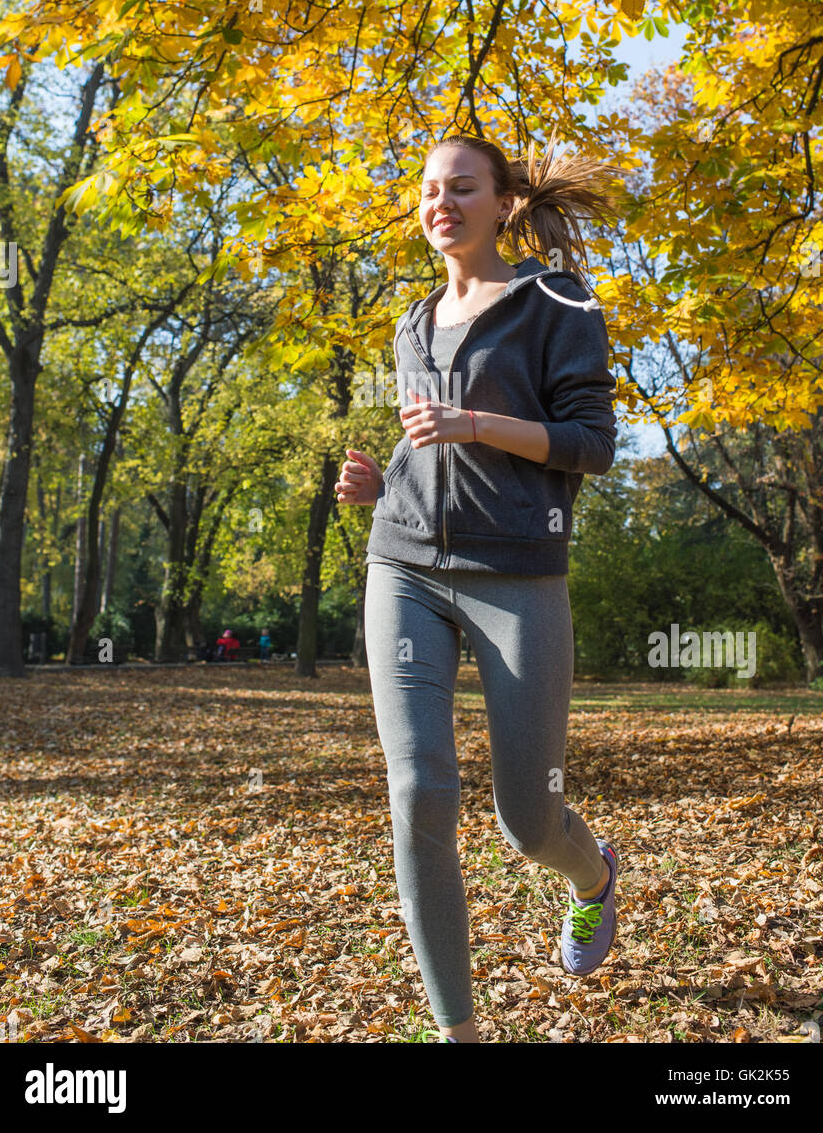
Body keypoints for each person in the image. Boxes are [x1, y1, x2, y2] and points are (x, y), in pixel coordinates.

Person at [335, 133, 620, 1044]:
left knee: (526, 819)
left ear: (503, 202)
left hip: (517, 573)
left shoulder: (555, 301)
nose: (440, 203)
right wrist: (384, 486)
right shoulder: (412, 321)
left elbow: (591, 444)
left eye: (461, 188)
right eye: (428, 191)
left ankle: (592, 877)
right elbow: (428, 448)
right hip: (404, 566)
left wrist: (477, 421)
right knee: (418, 790)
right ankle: (458, 1032)